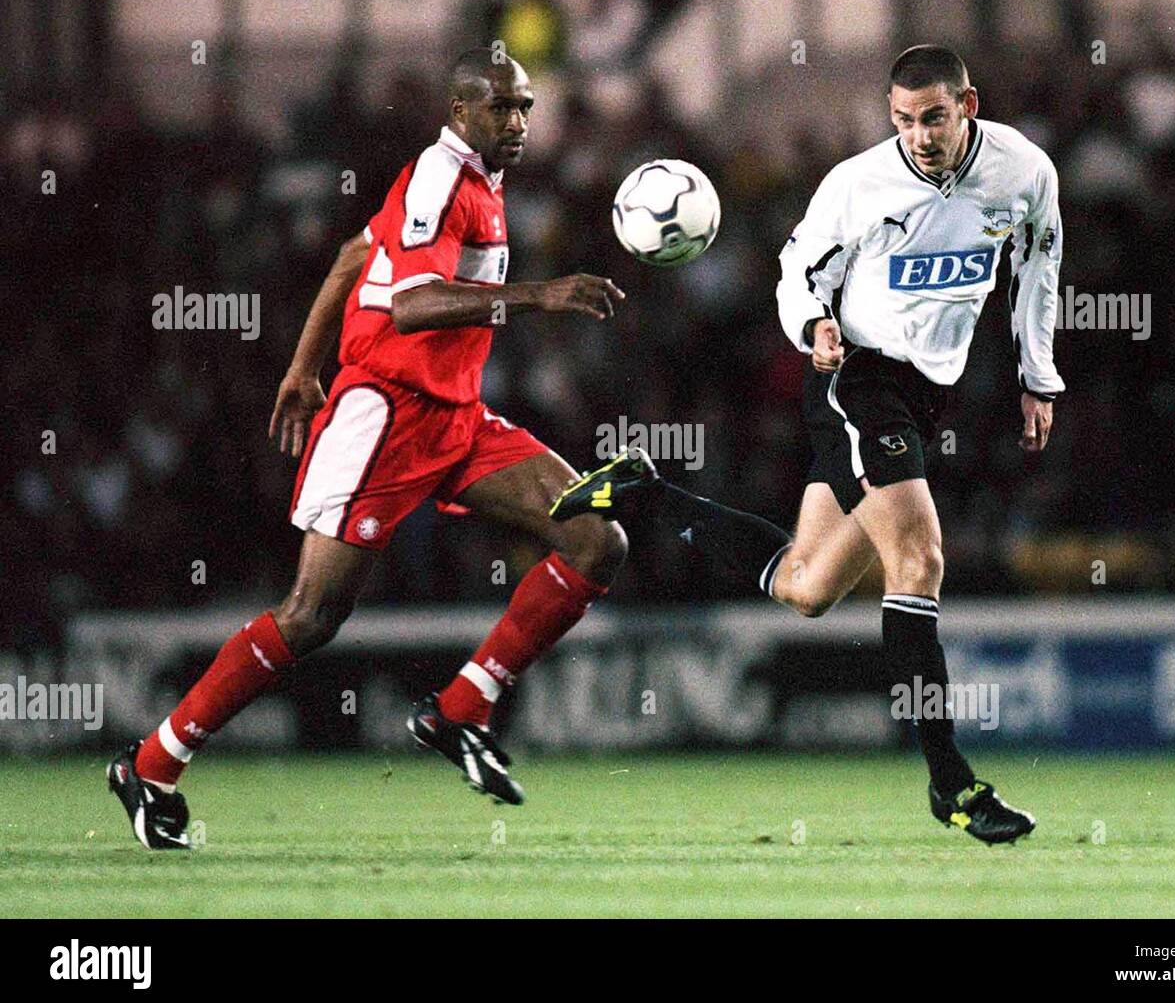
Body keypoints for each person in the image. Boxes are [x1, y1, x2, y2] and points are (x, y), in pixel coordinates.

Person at [109, 48, 627, 849]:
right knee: (313, 616)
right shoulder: (439, 177)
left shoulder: (478, 178)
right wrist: (540, 295)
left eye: (526, 107)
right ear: (460, 113)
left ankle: (462, 709)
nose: (519, 122)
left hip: (454, 419)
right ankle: (150, 763)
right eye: (503, 109)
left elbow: (357, 257)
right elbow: (416, 306)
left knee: (597, 536)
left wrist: (299, 365)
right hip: (384, 419)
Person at [552, 45, 1062, 844]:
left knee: (805, 586)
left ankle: (649, 490)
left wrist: (1039, 374)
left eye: (934, 116)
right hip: (856, 380)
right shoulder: (857, 185)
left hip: (928, 393)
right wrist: (812, 323)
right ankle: (952, 783)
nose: (920, 135)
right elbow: (798, 270)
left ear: (969, 102)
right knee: (920, 559)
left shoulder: (1023, 171)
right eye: (903, 120)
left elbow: (1039, 262)